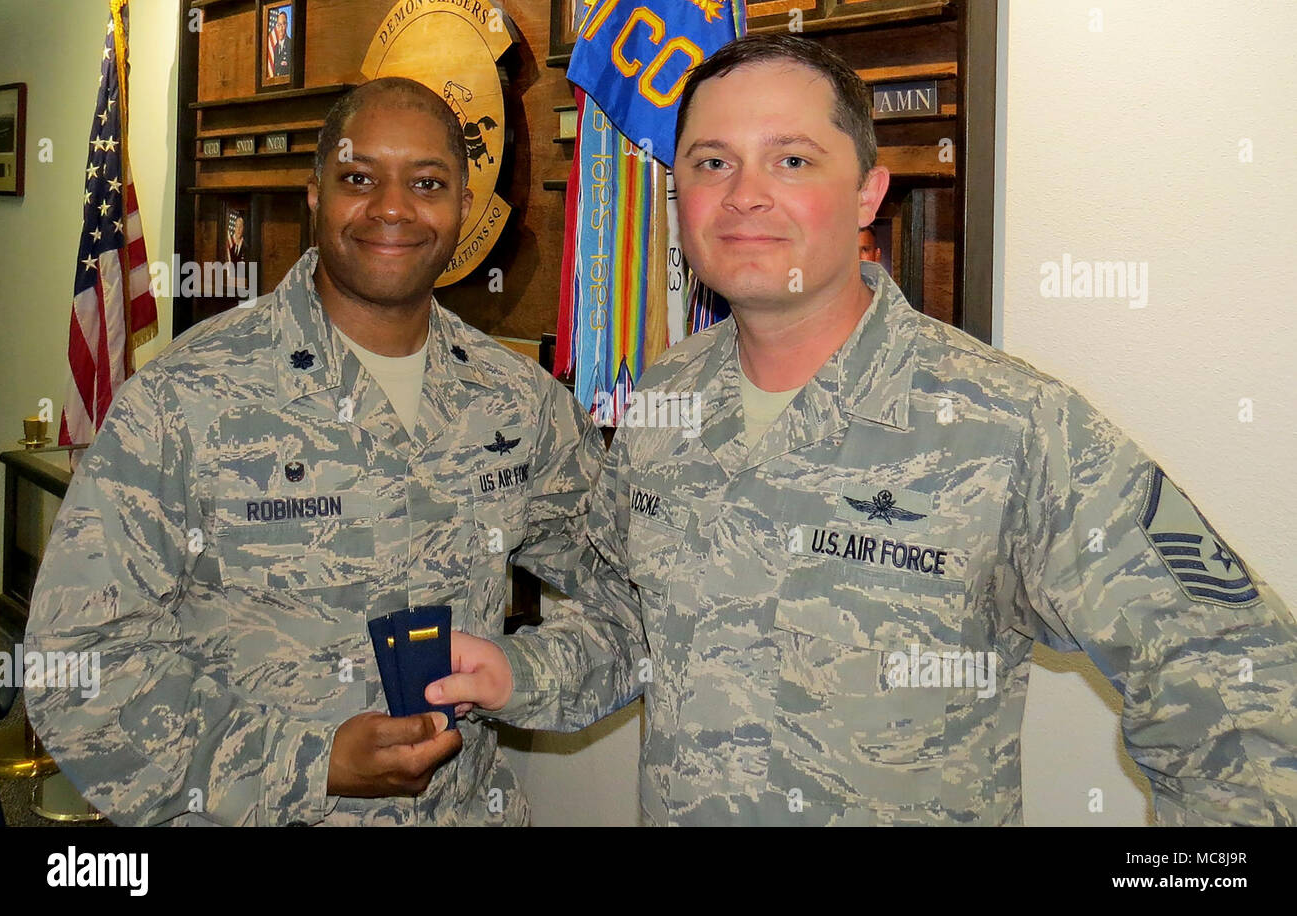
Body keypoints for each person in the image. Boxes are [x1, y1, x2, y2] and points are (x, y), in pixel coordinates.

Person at [432, 34, 1297, 826]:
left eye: (793, 159)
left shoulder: (1008, 424)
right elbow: (631, 624)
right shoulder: (667, 401)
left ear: (868, 194)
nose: (745, 196)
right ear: (680, 195)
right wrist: (520, 674)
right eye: (712, 162)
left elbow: (1246, 687)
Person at [22, 77, 638, 826]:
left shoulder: (518, 405)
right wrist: (309, 763)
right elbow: (75, 666)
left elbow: (636, 594)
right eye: (358, 178)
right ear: (315, 196)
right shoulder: (185, 400)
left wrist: (523, 675)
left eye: (427, 183)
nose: (391, 208)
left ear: (463, 211)